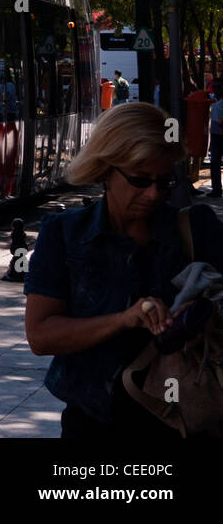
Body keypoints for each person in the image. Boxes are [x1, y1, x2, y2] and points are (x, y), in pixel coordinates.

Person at [24, 101, 223, 439]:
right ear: (104, 169)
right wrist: (124, 319)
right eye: (140, 180)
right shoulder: (64, 235)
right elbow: (41, 336)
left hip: (185, 420)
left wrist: (202, 313)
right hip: (94, 422)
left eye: (164, 182)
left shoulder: (196, 229)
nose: (154, 194)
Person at [209, 88, 223, 198]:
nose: (216, 88)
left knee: (215, 162)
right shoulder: (213, 99)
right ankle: (217, 189)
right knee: (214, 163)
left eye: (219, 86)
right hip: (215, 135)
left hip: (220, 134)